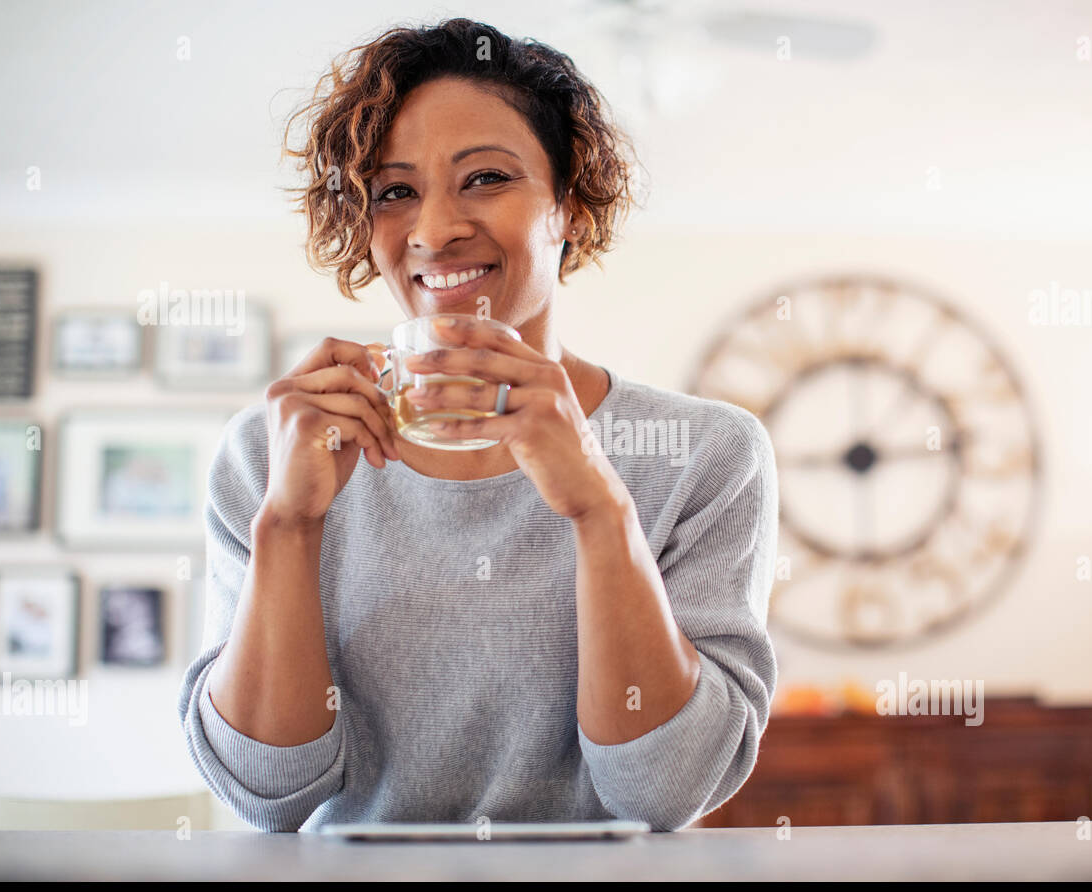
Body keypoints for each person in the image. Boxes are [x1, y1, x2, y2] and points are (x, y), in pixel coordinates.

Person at [177, 18, 779, 833]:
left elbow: (665, 790)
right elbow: (264, 793)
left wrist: (600, 510)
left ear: (566, 207)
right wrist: (290, 523)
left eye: (486, 178)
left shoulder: (708, 453)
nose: (433, 230)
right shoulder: (270, 451)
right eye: (395, 192)